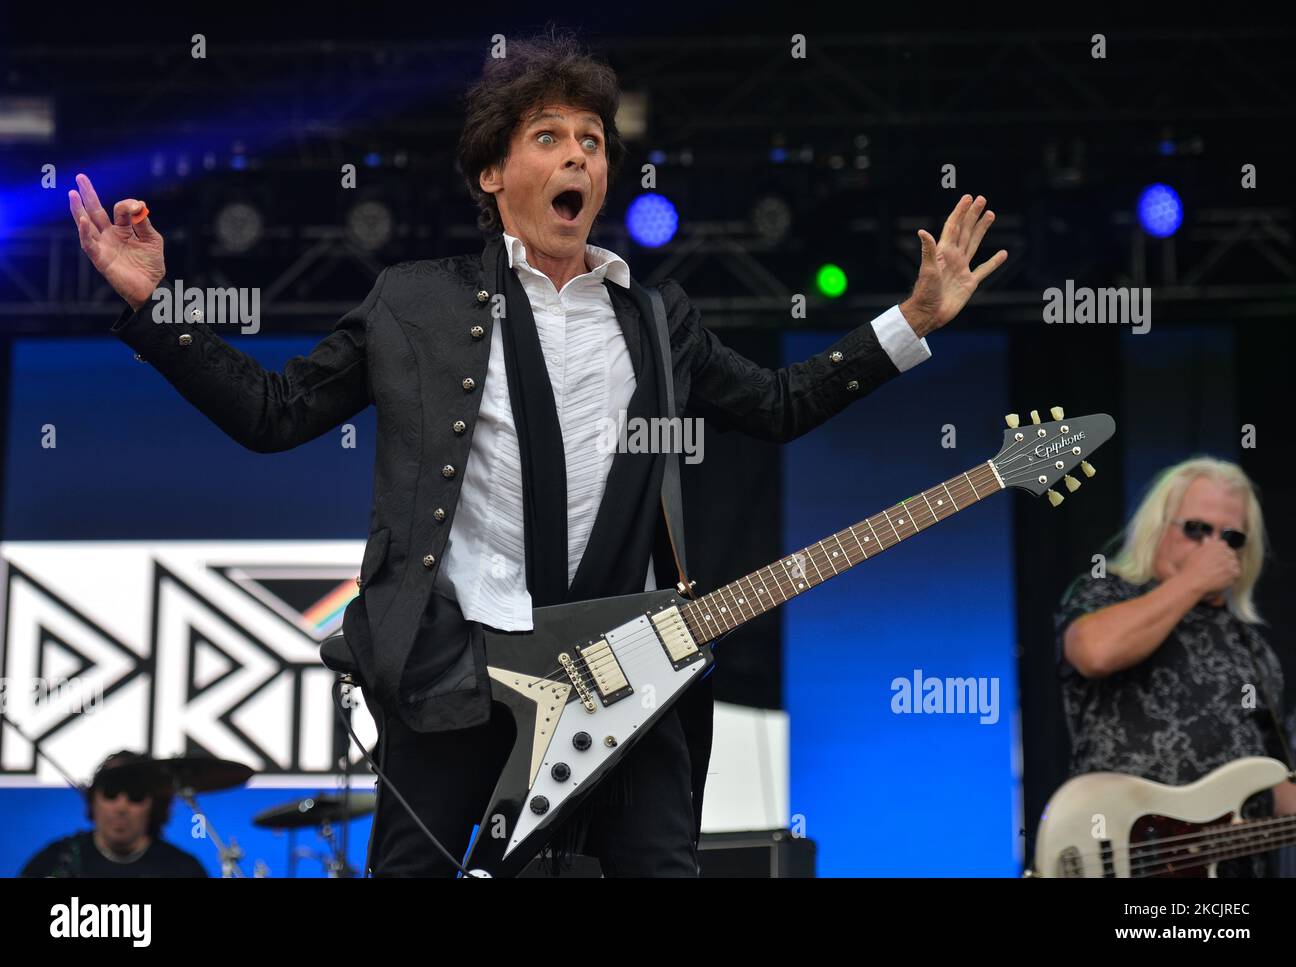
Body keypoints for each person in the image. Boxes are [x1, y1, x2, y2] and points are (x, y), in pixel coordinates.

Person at [68, 29, 1006, 876]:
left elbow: (778, 403)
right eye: (550, 137)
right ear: (491, 172)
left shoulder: (655, 316)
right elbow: (275, 414)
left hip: (629, 673)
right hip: (455, 668)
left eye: (593, 142)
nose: (579, 157)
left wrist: (911, 320)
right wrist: (157, 310)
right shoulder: (415, 302)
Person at [1056, 457, 1296, 876]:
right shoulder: (1105, 592)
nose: (1214, 548)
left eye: (1232, 537)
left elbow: (1268, 782)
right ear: (1158, 527)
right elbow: (1095, 652)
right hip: (1120, 852)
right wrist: (1191, 581)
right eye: (1196, 530)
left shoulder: (1253, 648)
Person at [20, 751, 208, 877]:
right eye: (111, 793)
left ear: (154, 806)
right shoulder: (57, 860)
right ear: (94, 800)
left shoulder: (181, 869)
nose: (121, 807)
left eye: (135, 796)